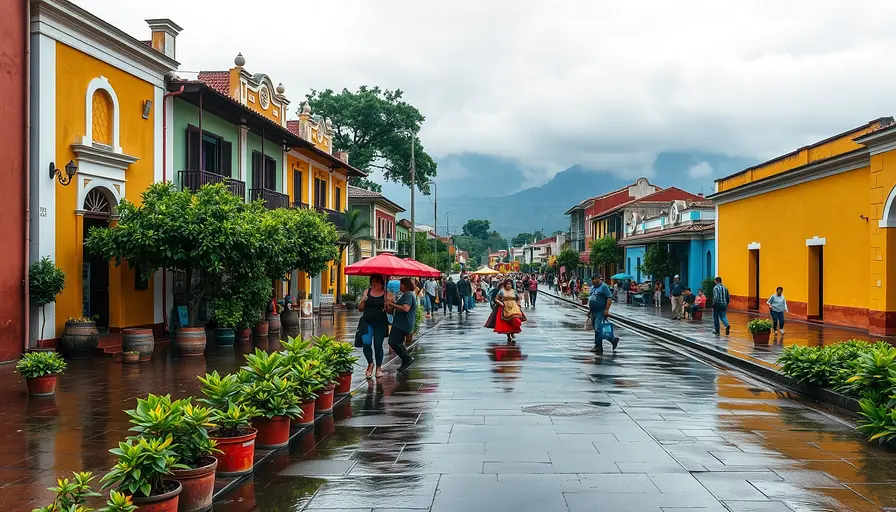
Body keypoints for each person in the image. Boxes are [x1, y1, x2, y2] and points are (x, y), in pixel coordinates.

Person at [357, 274, 393, 379]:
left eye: (376, 281)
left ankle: (378, 368)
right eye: (372, 281)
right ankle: (370, 363)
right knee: (366, 343)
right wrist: (363, 300)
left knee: (378, 345)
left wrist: (388, 303)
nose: (374, 284)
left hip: (380, 323)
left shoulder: (387, 294)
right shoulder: (367, 291)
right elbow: (360, 309)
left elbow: (390, 311)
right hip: (367, 322)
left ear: (382, 282)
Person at [384, 278, 416, 372]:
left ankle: (406, 358)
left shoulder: (408, 295)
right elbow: (391, 311)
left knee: (393, 341)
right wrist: (390, 303)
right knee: (398, 342)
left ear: (405, 285)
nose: (400, 287)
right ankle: (405, 360)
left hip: (402, 324)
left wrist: (393, 304)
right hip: (399, 323)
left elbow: (405, 308)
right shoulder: (403, 295)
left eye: (401, 284)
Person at [587, 274, 619, 352]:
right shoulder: (593, 287)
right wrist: (589, 311)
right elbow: (591, 298)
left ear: (599, 279)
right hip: (593, 311)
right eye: (592, 280)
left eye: (594, 279)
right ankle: (613, 340)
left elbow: (609, 298)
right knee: (597, 329)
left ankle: (598, 346)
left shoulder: (604, 287)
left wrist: (606, 310)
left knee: (598, 328)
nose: (593, 281)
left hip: (600, 311)